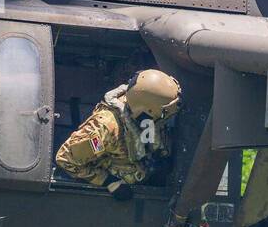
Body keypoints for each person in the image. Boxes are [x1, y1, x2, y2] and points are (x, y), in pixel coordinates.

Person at [55, 68, 180, 199]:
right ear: (146, 111)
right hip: (118, 188)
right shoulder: (105, 129)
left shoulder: (140, 104)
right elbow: (66, 159)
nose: (163, 118)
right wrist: (108, 181)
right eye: (162, 115)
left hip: (143, 170)